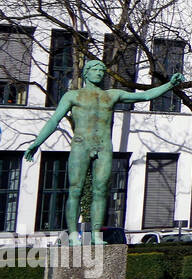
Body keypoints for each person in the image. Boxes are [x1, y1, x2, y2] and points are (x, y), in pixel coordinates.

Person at [23, 59, 182, 244]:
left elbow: (145, 97)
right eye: (95, 69)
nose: (99, 73)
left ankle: (96, 235)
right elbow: (54, 120)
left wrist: (170, 84)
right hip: (81, 144)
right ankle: (74, 235)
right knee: (75, 190)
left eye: (102, 70)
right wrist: (37, 143)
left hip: (104, 146)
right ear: (86, 73)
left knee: (100, 190)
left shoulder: (111, 95)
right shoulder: (73, 96)